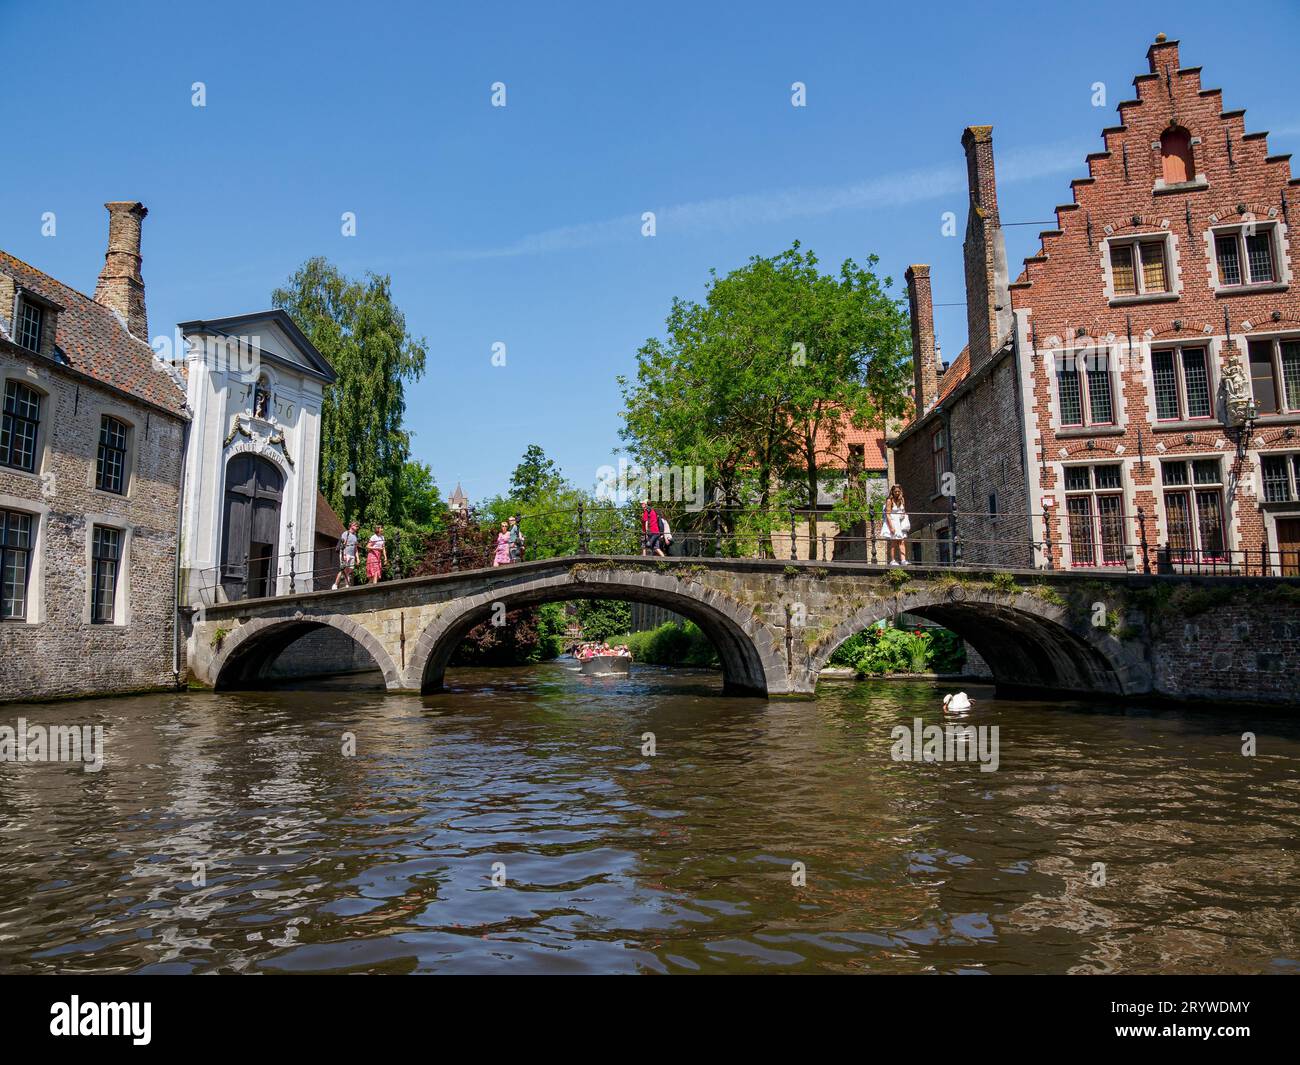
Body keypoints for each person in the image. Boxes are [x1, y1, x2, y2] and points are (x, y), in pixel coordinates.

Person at [883, 485, 911, 566]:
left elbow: (904, 510)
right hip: (893, 522)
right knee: (894, 542)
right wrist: (891, 526)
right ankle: (892, 560)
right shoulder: (889, 501)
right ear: (892, 492)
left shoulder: (902, 499)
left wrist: (903, 515)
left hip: (901, 522)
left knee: (902, 541)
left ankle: (903, 560)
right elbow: (888, 514)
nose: (897, 493)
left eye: (898, 491)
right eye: (895, 492)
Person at [332, 521, 360, 589]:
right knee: (343, 569)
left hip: (352, 555)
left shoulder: (355, 536)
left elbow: (355, 548)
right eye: (355, 526)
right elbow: (343, 545)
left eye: (357, 526)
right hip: (345, 554)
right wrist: (344, 555)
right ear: (351, 526)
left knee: (349, 571)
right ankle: (335, 584)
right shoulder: (346, 533)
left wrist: (357, 558)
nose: (357, 527)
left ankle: (347, 585)